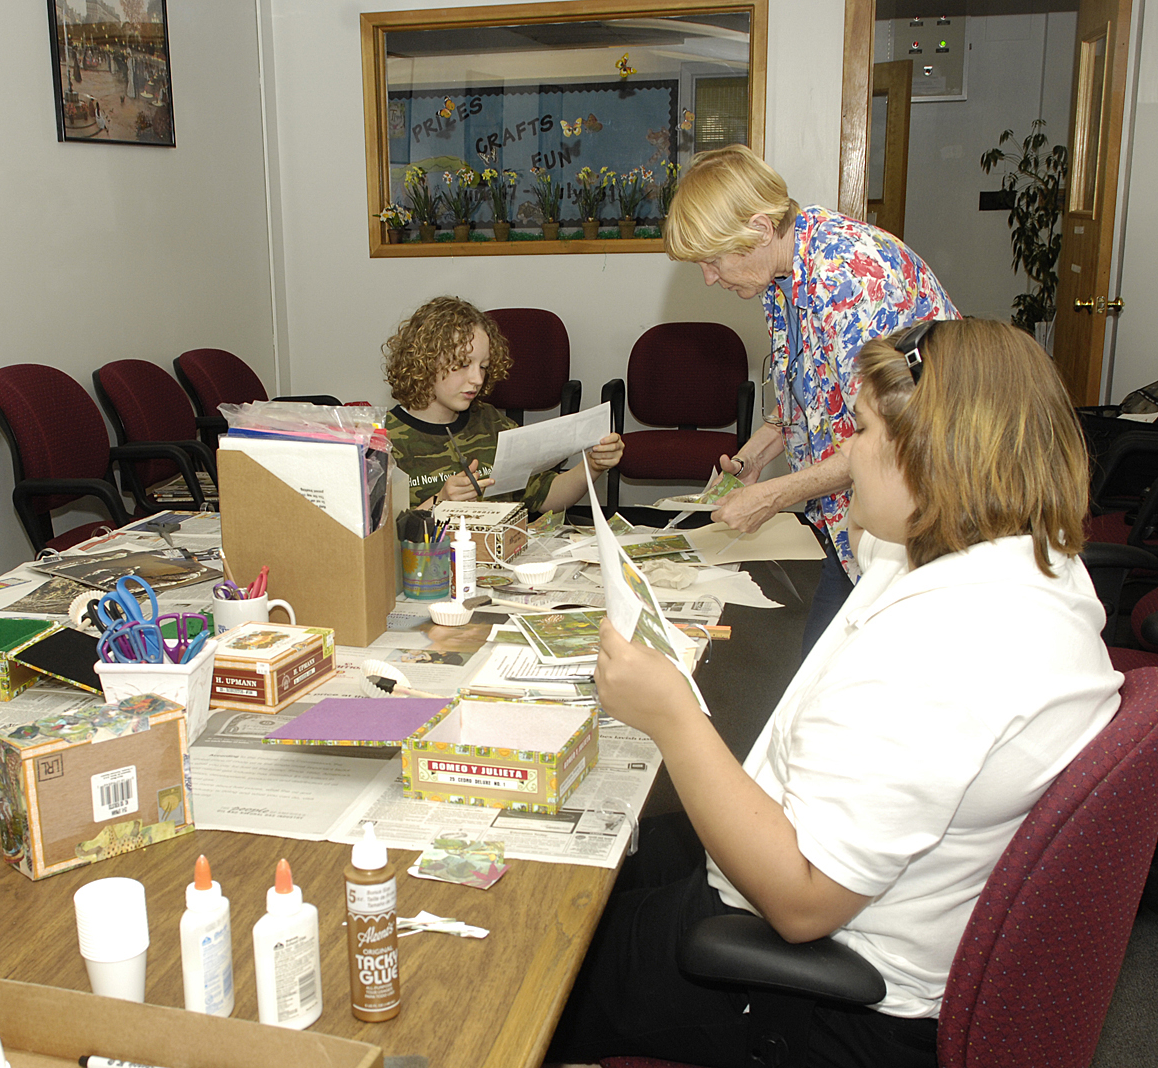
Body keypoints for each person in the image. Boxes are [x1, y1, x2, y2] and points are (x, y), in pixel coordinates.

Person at [544, 319, 1121, 1068]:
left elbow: (802, 903)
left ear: (930, 458)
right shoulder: (1027, 561)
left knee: (541, 950)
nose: (846, 452)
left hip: (823, 993)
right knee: (617, 851)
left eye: (863, 430)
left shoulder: (949, 645)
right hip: (872, 901)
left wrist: (673, 718)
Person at [663, 144, 959, 652]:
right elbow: (814, 395)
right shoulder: (783, 276)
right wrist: (752, 458)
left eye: (713, 260)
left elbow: (884, 439)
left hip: (918, 524)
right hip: (857, 519)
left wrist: (776, 495)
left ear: (758, 229)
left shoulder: (851, 278)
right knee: (816, 677)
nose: (710, 277)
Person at [383, 296, 622, 516]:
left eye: (484, 366)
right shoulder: (383, 441)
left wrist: (591, 466)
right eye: (463, 364)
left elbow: (546, 496)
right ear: (424, 362)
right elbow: (378, 541)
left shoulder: (493, 424)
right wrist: (440, 501)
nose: (477, 379)